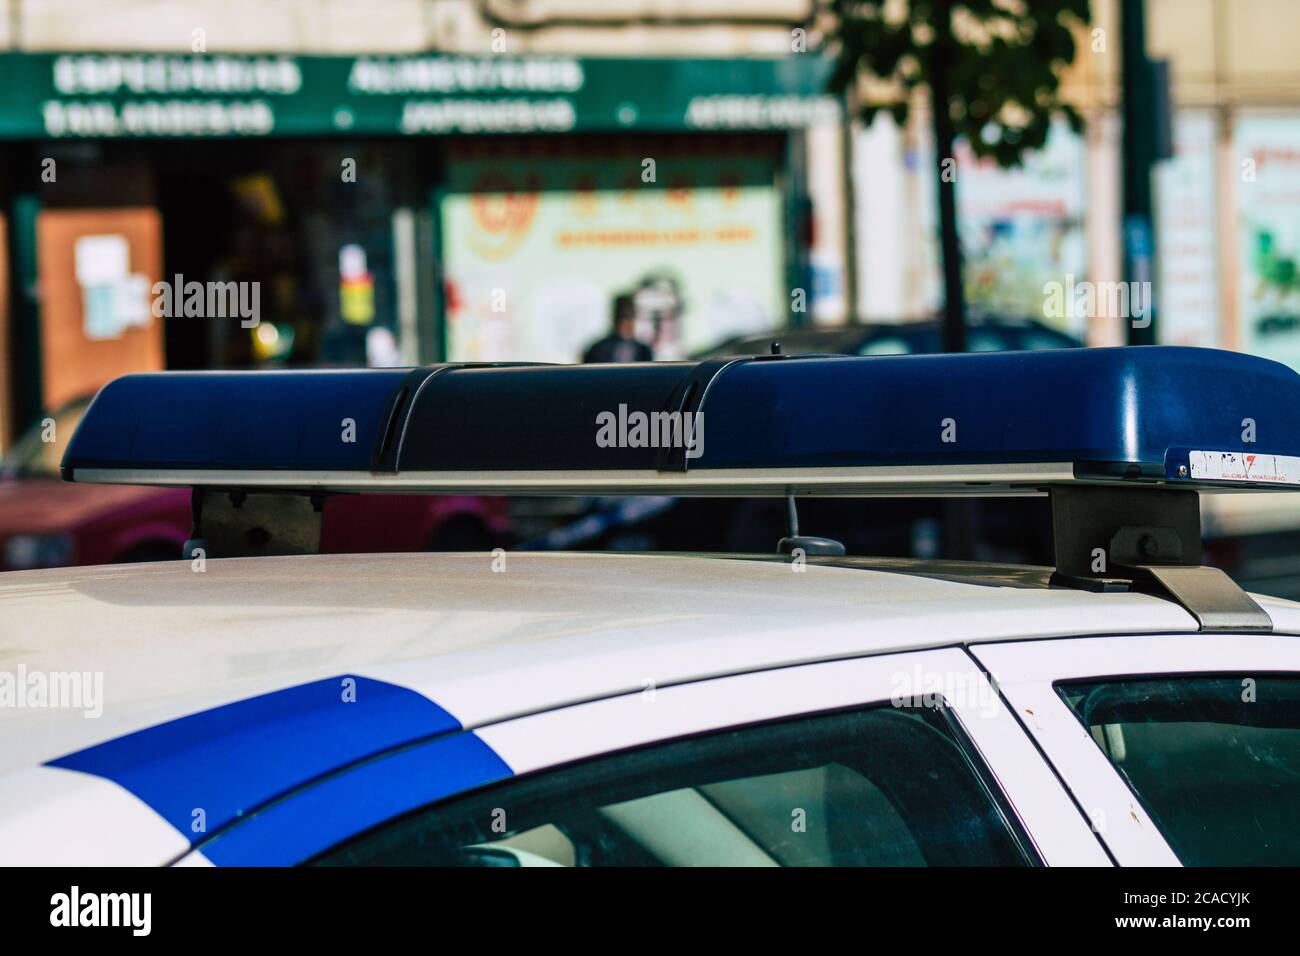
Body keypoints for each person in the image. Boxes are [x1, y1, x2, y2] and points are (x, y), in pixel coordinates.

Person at [582, 293, 654, 363]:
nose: (628, 323)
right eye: (624, 317)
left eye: (631, 317)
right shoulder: (597, 349)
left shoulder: (644, 351)